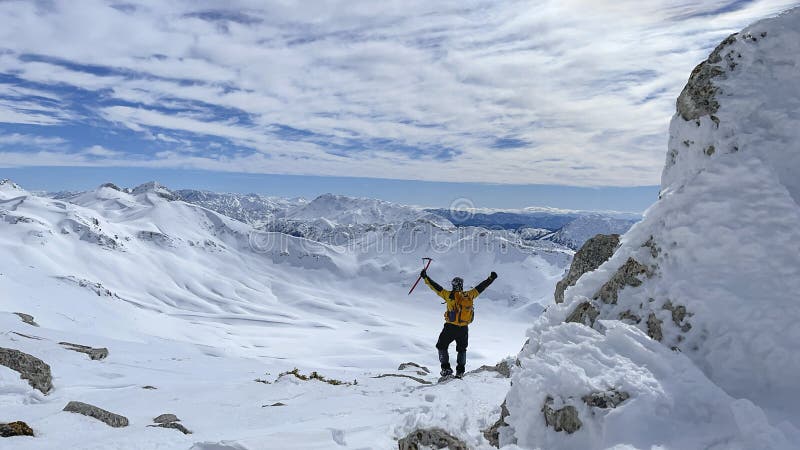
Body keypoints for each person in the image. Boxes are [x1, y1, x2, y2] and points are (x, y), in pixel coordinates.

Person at [420, 269, 498, 378]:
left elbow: (435, 287)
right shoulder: (469, 295)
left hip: (450, 327)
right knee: (462, 349)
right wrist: (491, 279)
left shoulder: (448, 295)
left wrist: (425, 278)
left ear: (453, 285)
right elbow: (481, 287)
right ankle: (460, 372)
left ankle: (446, 369)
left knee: (441, 346)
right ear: (462, 286)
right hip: (464, 328)